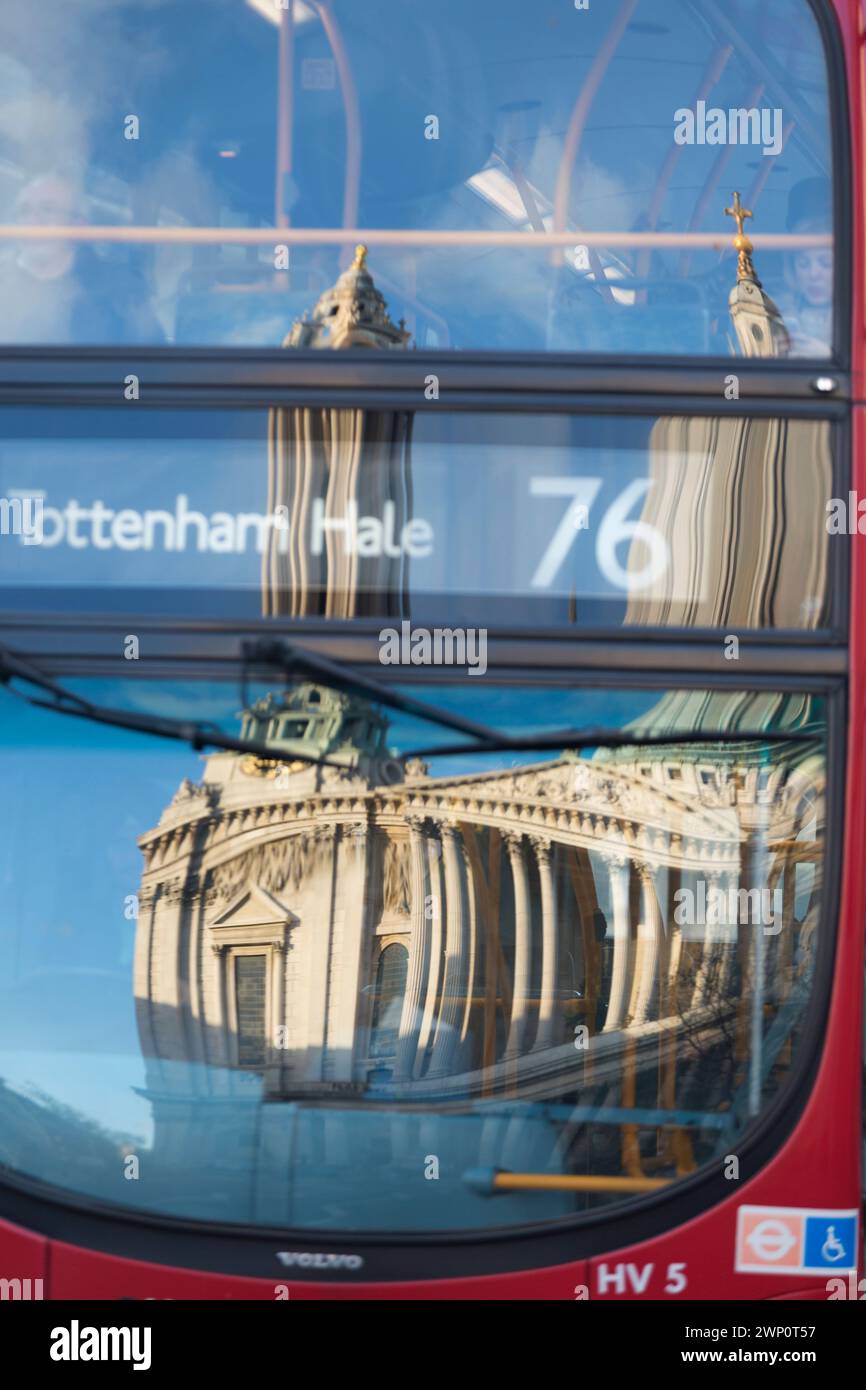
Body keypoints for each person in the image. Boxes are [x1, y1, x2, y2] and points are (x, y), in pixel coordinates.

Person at [0, 172, 163, 344]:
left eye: (47, 209)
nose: (32, 221)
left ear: (79, 225)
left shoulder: (119, 291)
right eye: (24, 211)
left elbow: (153, 359)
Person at [778, 176, 833, 358]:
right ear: (792, 269)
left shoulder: (858, 313)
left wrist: (826, 356)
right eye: (803, 264)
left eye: (825, 263)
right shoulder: (775, 311)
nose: (813, 274)